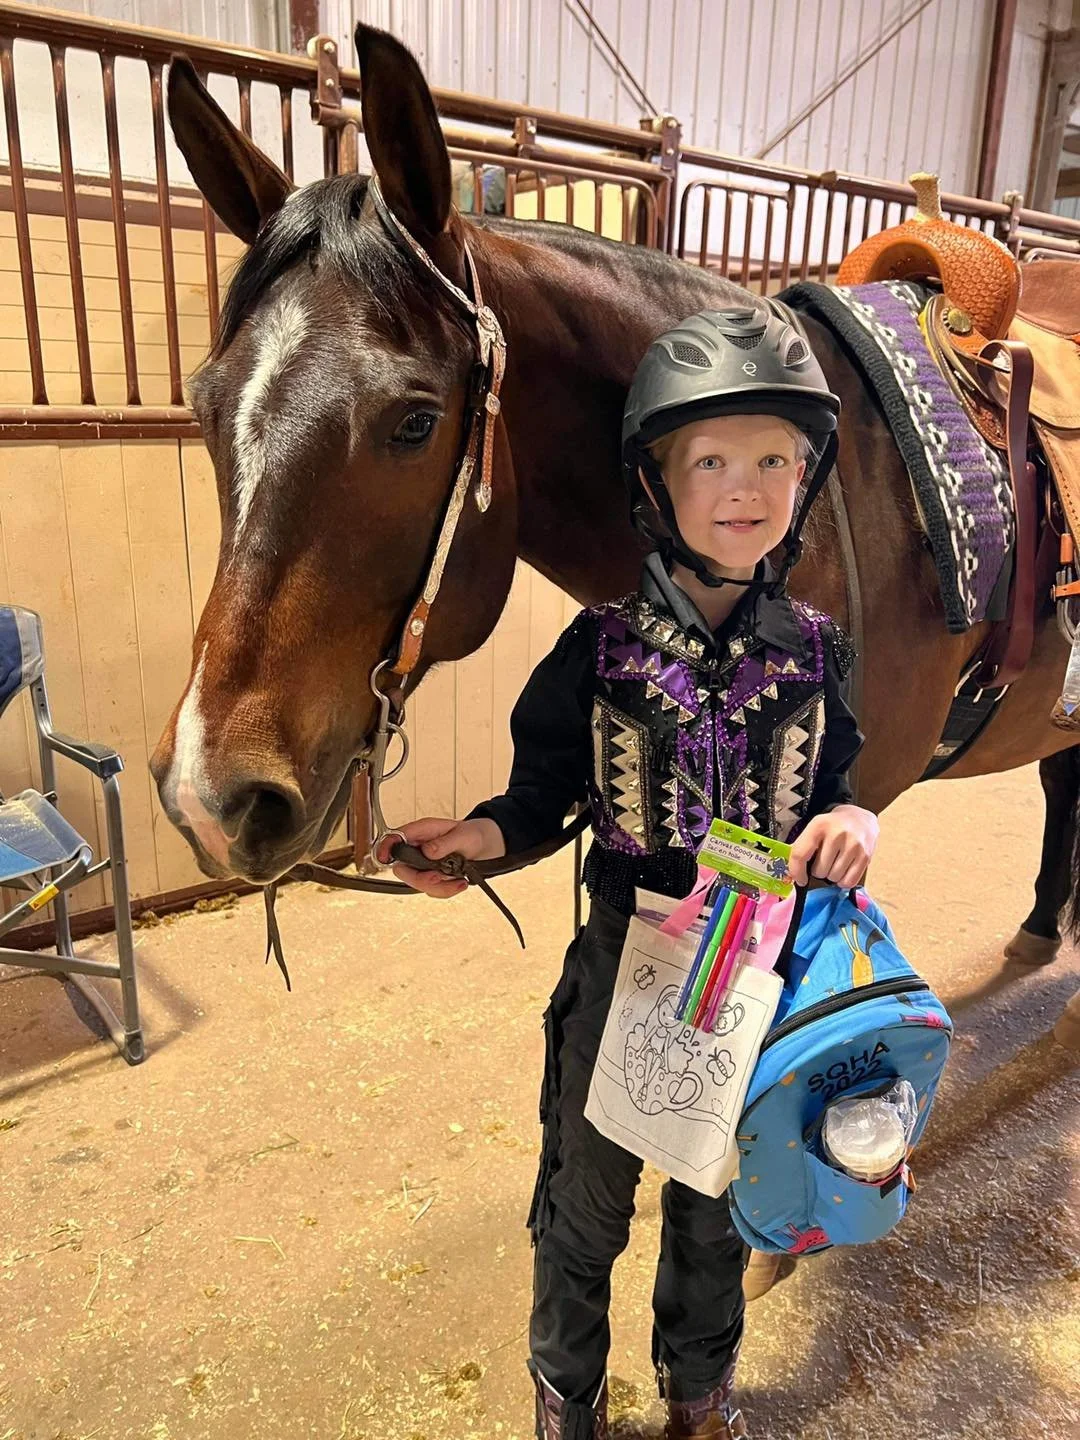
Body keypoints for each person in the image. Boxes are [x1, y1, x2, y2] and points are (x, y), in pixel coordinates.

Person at [383, 304, 880, 1440]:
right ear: (657, 483)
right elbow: (542, 797)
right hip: (627, 968)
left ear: (805, 479)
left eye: (774, 459)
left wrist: (858, 823)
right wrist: (482, 839)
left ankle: (698, 1392)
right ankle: (569, 1391)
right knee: (585, 1204)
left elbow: (844, 780)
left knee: (715, 1207)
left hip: (749, 980)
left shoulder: (814, 649)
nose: (744, 486)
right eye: (710, 459)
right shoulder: (595, 650)